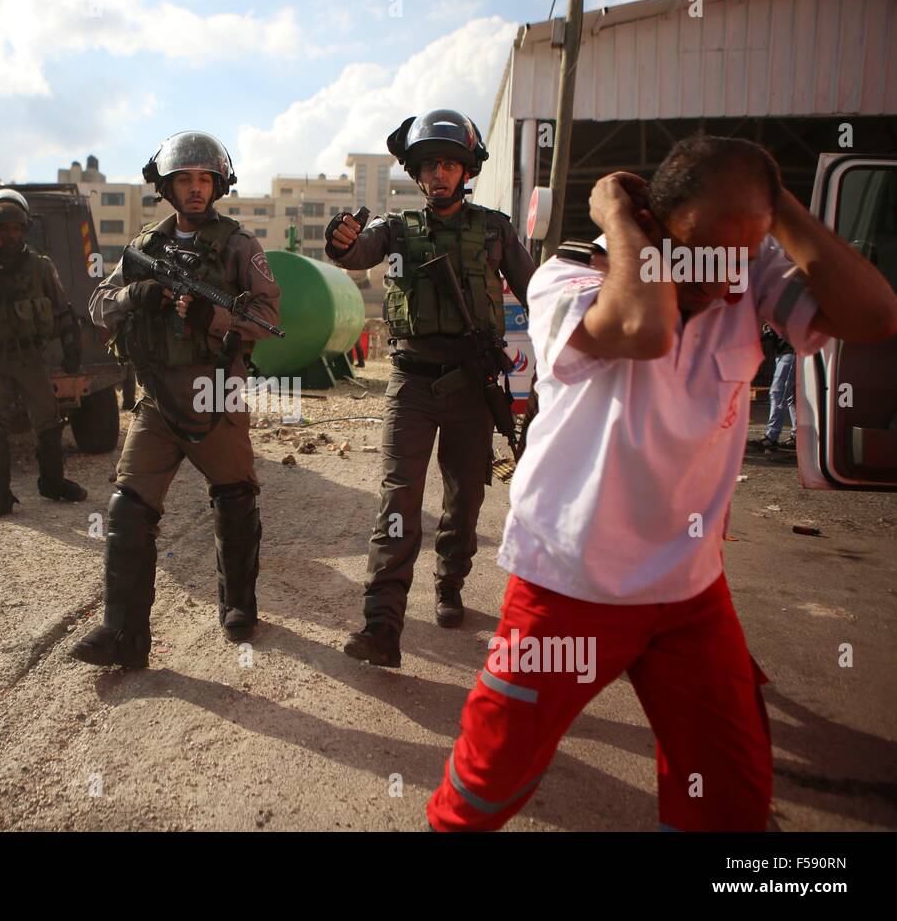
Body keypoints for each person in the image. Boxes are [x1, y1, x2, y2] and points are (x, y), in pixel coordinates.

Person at [427, 136, 897, 831]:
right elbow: (647, 328)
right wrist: (617, 215)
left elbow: (876, 316)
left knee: (730, 793)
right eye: (702, 250)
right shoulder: (571, 276)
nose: (721, 278)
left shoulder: (745, 266)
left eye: (743, 252)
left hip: (689, 592)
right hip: (569, 585)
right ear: (651, 225)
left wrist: (779, 208)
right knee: (486, 786)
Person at [324, 109, 535, 668]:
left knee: (465, 500)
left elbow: (539, 294)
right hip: (412, 382)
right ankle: (382, 626)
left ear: (465, 170)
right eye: (429, 165)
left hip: (472, 385)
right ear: (416, 174)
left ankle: (449, 581)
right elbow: (353, 254)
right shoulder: (395, 230)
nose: (439, 173)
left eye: (449, 163)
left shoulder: (495, 229)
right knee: (398, 501)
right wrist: (339, 241)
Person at [72, 132, 281, 669]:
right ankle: (123, 635)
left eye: (205, 179)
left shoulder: (239, 246)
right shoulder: (146, 247)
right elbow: (98, 305)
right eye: (185, 179)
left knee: (234, 495)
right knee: (128, 507)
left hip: (215, 392)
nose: (195, 189)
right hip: (158, 395)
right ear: (167, 186)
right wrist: (133, 295)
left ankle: (239, 605)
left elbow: (269, 319)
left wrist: (213, 318)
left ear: (218, 185)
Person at [0, 188, 87, 519]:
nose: (12, 235)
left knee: (48, 422)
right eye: (4, 229)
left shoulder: (40, 267)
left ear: (25, 228)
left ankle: (53, 484)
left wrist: (73, 351)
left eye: (17, 228)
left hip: (31, 357)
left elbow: (62, 311)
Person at [751, 324, 796, 451]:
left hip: (790, 350)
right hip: (784, 350)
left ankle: (772, 436)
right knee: (789, 396)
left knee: (778, 393)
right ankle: (796, 435)